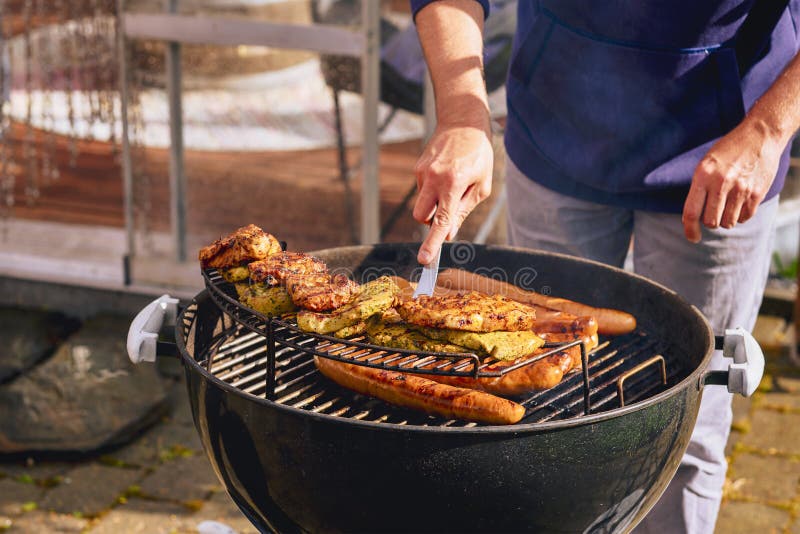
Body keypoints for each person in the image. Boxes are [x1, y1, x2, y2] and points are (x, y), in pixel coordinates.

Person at [408, 1, 800, 532]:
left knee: (688, 426)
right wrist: (461, 115)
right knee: (544, 413)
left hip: (726, 154)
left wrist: (768, 132)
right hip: (555, 142)